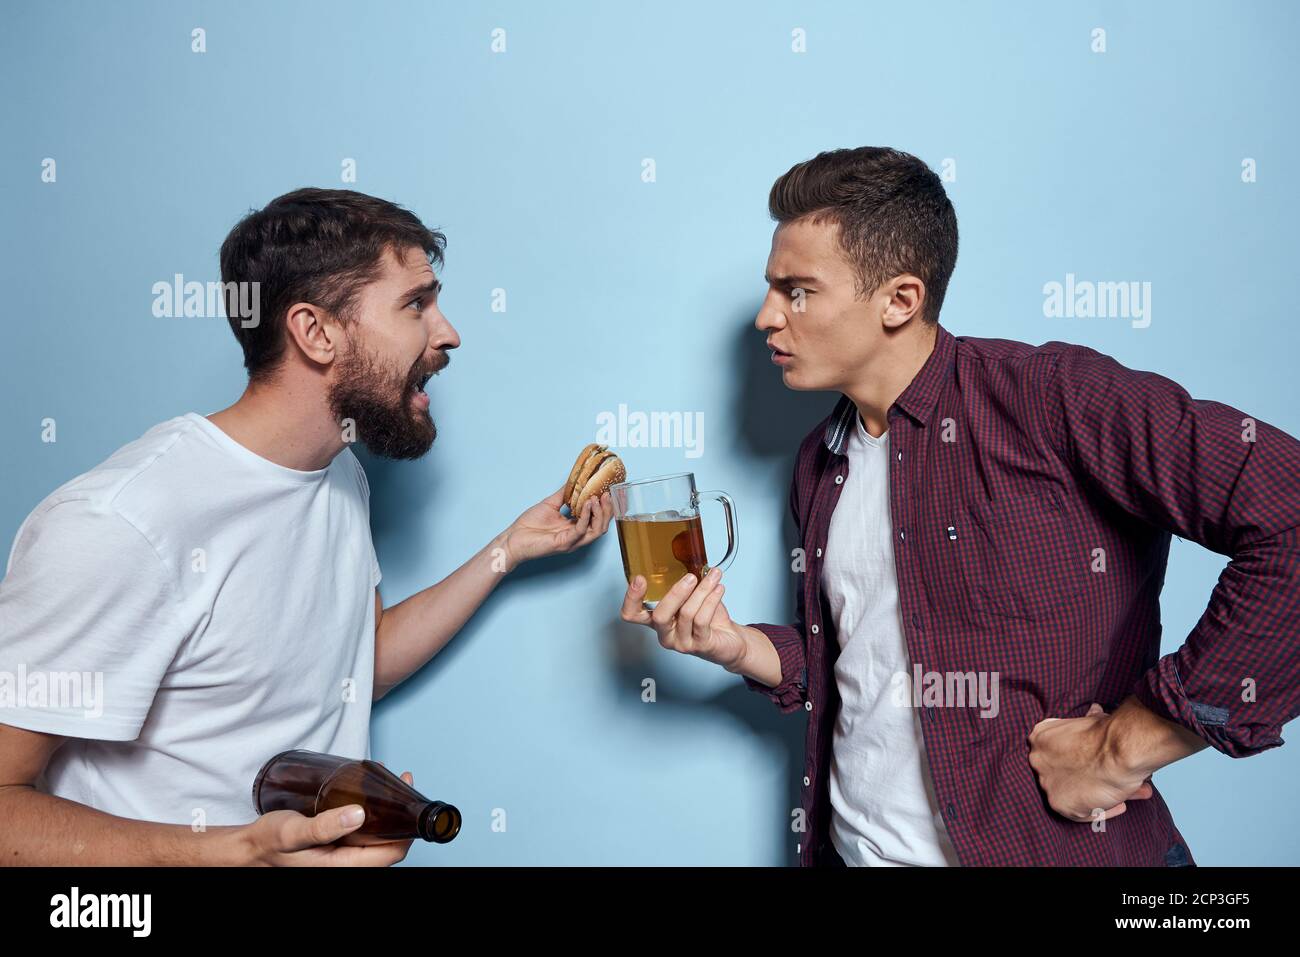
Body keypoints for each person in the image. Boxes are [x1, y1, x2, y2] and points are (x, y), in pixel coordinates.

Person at [621, 147, 1300, 866]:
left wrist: (1127, 743)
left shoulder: (1052, 398)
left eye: (797, 291)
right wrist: (735, 646)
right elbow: (866, 665)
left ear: (900, 299)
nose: (766, 317)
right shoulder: (821, 460)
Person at [0, 188, 613, 865]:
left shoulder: (339, 471)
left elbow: (356, 662)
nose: (448, 333)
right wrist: (238, 854)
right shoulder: (122, 523)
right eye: (415, 304)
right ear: (315, 332)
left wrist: (508, 550)